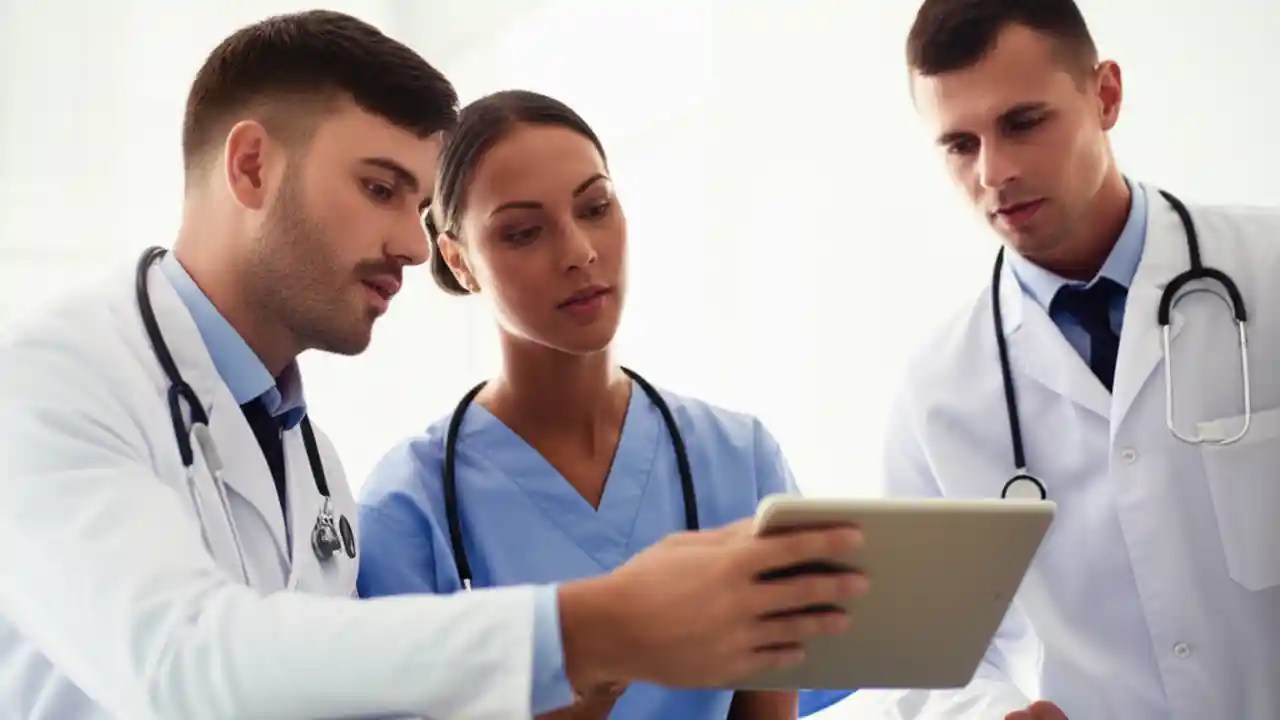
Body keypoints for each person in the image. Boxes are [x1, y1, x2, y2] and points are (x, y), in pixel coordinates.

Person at [0, 11, 870, 719]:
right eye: (380, 189)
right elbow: (179, 662)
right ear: (253, 166)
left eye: (416, 206)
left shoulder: (313, 470)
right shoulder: (54, 379)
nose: (408, 250)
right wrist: (595, 630)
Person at [859, 1, 1280, 718]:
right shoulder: (939, 391)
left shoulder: (1267, 270)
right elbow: (927, 663)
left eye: (1023, 123)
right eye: (960, 144)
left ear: (1106, 94)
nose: (995, 172)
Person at [356, 89, 826, 720]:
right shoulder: (410, 506)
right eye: (523, 232)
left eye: (596, 207)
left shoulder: (739, 460)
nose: (579, 251)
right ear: (459, 260)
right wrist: (601, 657)